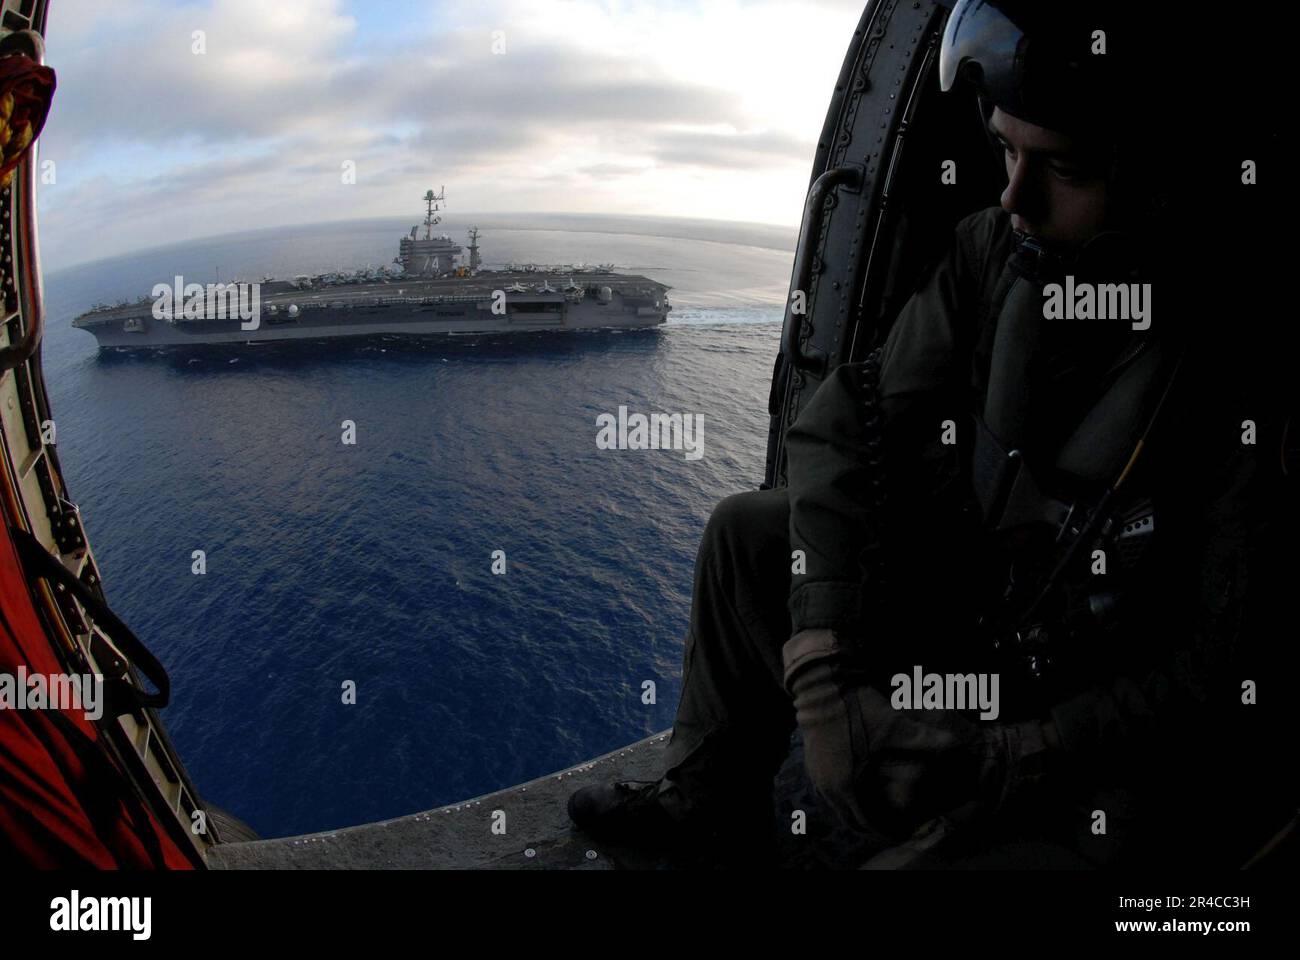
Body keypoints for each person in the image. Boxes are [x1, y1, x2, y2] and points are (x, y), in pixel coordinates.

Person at [567, 0, 1292, 868]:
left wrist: (1012, 757)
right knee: (745, 533)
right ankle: (706, 801)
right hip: (979, 617)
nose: (1014, 197)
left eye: (1059, 167)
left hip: (1101, 711)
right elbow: (846, 419)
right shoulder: (991, 253)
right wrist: (824, 665)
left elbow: (1213, 670)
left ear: (1150, 183)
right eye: (1007, 151)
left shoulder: (1235, 362)